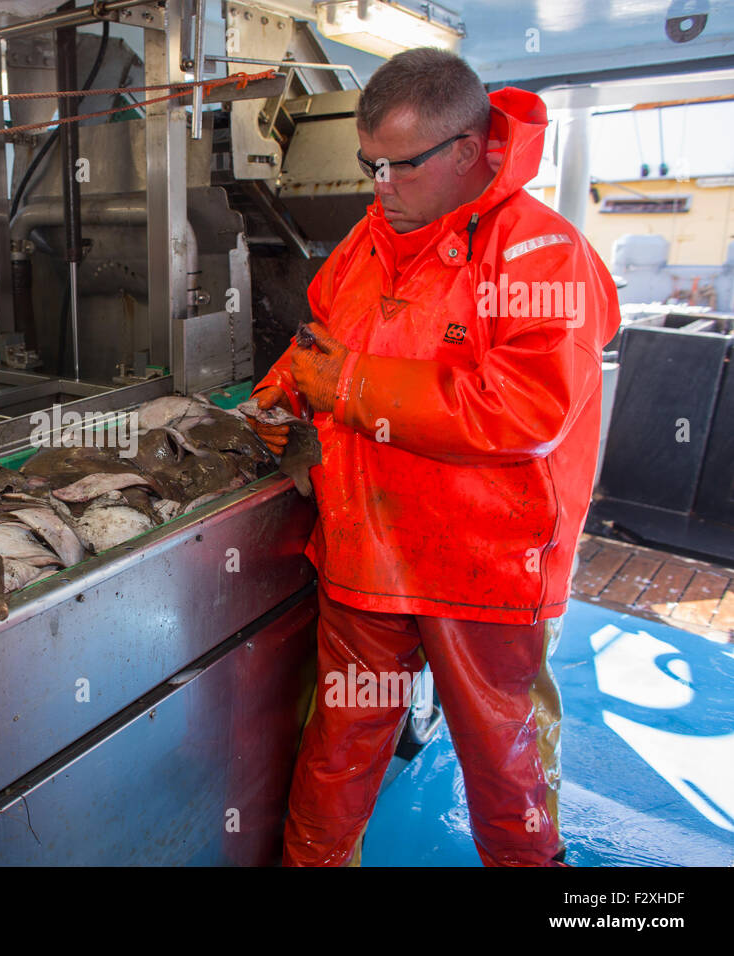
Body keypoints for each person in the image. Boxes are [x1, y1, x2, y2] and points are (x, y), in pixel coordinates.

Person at [249, 47, 620, 866]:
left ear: (465, 149)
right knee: (338, 751)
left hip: (484, 572)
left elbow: (524, 410)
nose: (380, 186)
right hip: (366, 557)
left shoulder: (540, 256)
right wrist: (282, 391)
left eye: (400, 167)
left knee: (505, 768)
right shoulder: (367, 241)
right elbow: (323, 340)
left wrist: (341, 382)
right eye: (368, 165)